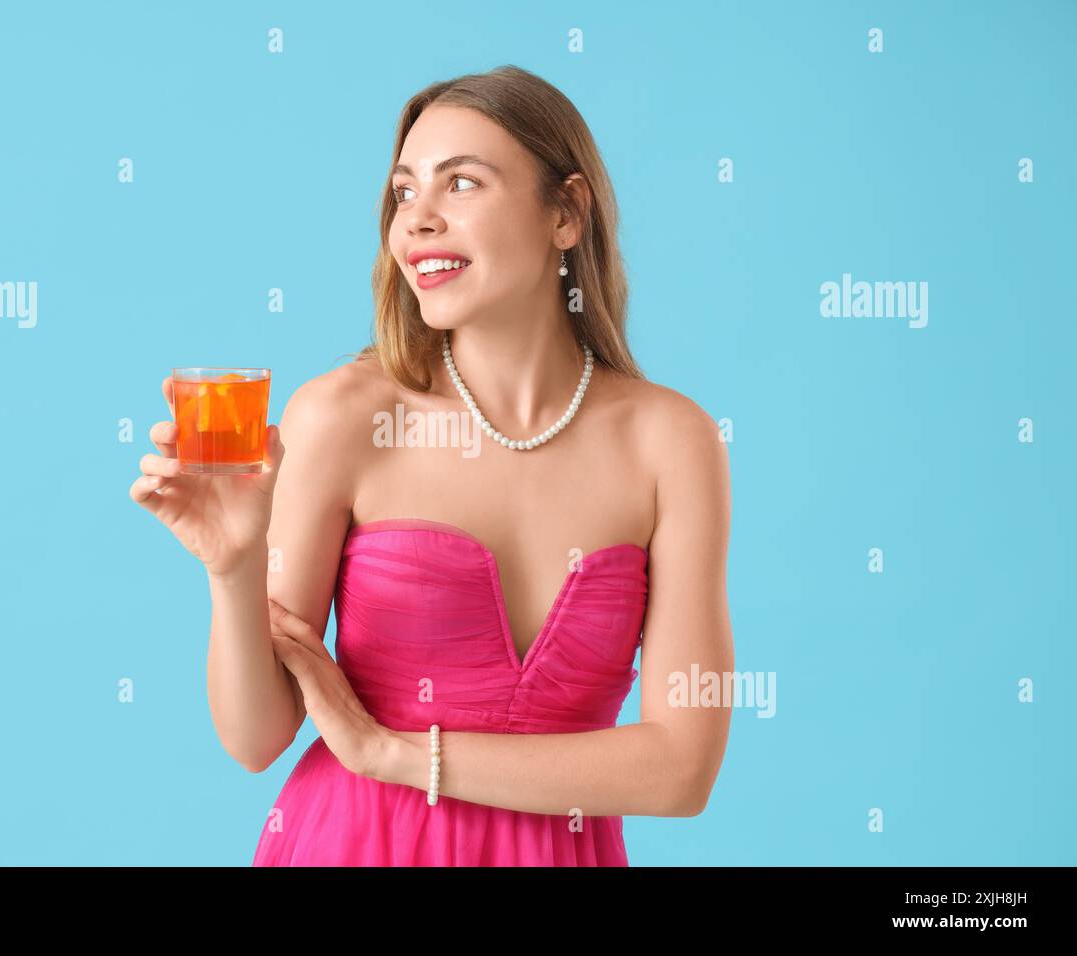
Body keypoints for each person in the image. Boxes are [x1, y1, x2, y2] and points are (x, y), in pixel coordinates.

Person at [130, 64, 733, 866]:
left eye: (462, 184)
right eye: (404, 192)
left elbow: (681, 772)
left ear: (567, 212)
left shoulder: (672, 441)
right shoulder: (344, 416)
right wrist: (234, 570)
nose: (418, 220)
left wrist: (395, 754)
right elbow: (255, 739)